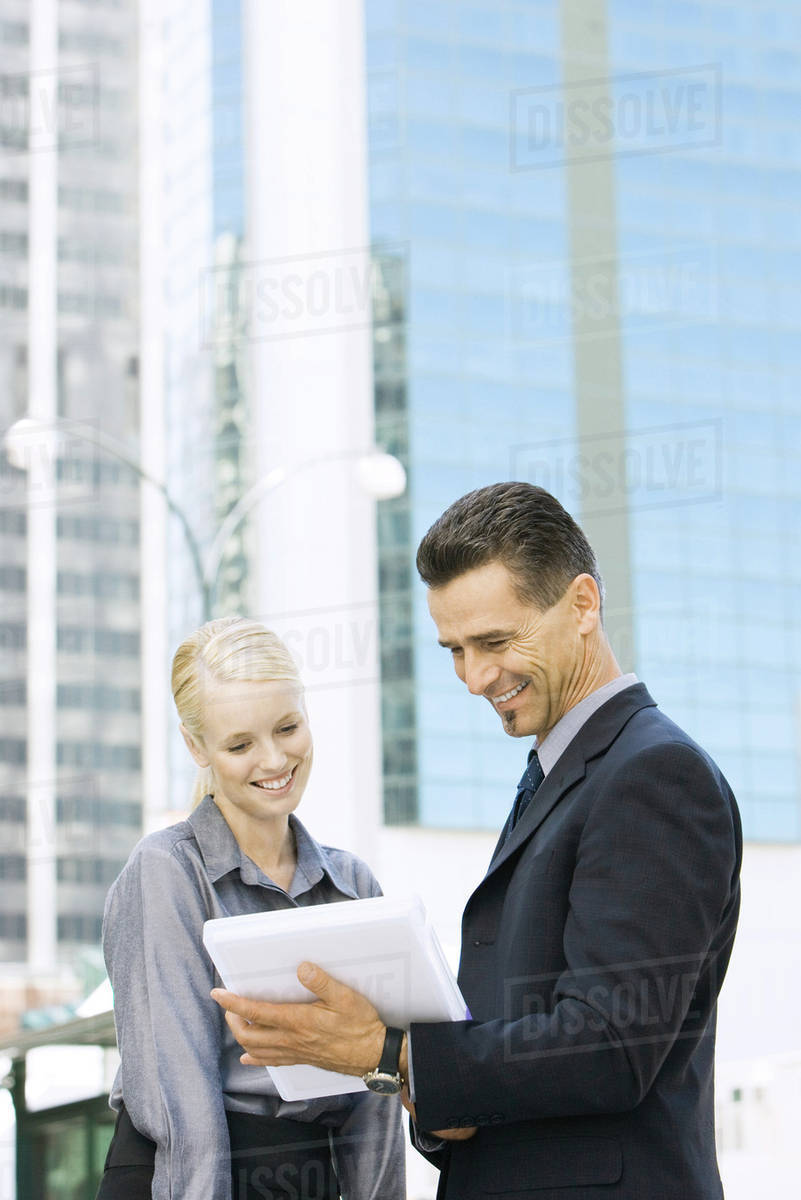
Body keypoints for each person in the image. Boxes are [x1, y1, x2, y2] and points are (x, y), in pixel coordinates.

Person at [212, 484, 743, 1200]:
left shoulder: (654, 775)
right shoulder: (560, 774)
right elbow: (518, 1041)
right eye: (455, 651)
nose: (473, 678)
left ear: (583, 604)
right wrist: (430, 1096)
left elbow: (610, 1046)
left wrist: (389, 1052)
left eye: (494, 642)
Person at [97, 616, 405, 1200]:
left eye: (287, 728)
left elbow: (377, 1096)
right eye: (240, 745)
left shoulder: (353, 885)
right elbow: (182, 1110)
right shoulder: (168, 872)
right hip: (178, 1180)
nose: (273, 760)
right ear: (196, 747)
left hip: (306, 1177)